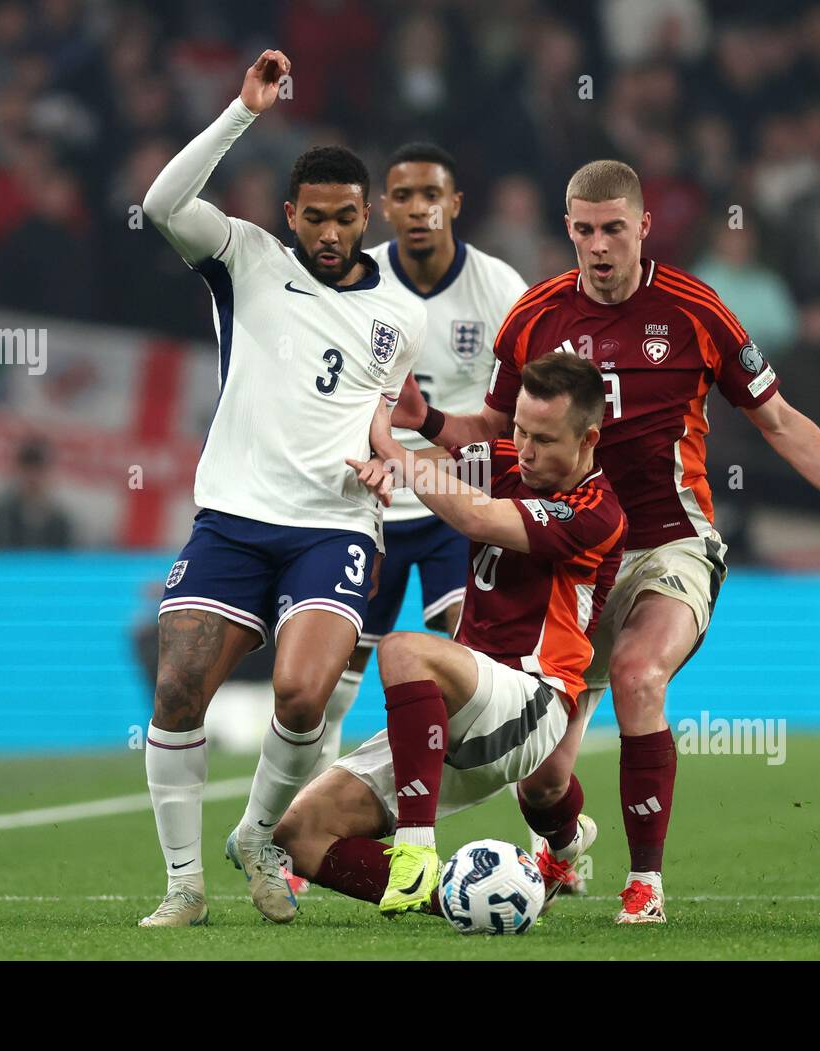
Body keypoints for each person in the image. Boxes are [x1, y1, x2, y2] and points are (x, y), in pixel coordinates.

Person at [391, 159, 820, 924]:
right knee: (540, 778)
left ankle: (645, 883)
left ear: (644, 226)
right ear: (569, 229)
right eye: (583, 230)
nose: (599, 246)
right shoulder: (535, 316)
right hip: (575, 558)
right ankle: (563, 841)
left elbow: (778, 420)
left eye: (614, 228)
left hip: (667, 546)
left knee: (642, 674)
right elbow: (499, 430)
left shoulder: (694, 309)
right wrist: (427, 422)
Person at [136, 50, 424, 927]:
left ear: (364, 215)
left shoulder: (399, 317)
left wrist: (388, 457)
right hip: (232, 517)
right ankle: (184, 885)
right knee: (179, 684)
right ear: (289, 213)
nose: (329, 233)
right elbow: (159, 206)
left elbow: (380, 420)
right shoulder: (247, 258)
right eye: (315, 218)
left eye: (345, 219)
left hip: (333, 526)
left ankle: (259, 834)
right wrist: (243, 113)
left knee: (304, 692)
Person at [274, 353, 626, 915]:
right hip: (464, 712)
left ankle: (415, 853)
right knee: (299, 834)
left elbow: (479, 517)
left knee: (402, 649)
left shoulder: (596, 512)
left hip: (532, 702)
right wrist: (389, 461)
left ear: (588, 439)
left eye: (544, 439)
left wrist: (395, 453)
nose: (526, 450)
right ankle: (464, 901)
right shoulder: (511, 459)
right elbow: (433, 460)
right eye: (518, 430)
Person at [310, 142, 528, 782]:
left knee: (484, 665)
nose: (417, 209)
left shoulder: (500, 290)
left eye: (431, 195)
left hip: (457, 511)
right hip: (367, 504)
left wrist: (426, 460)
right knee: (335, 676)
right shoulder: (357, 284)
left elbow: (517, 414)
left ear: (454, 204)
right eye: (402, 196)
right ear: (384, 208)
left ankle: (541, 833)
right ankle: (306, 821)